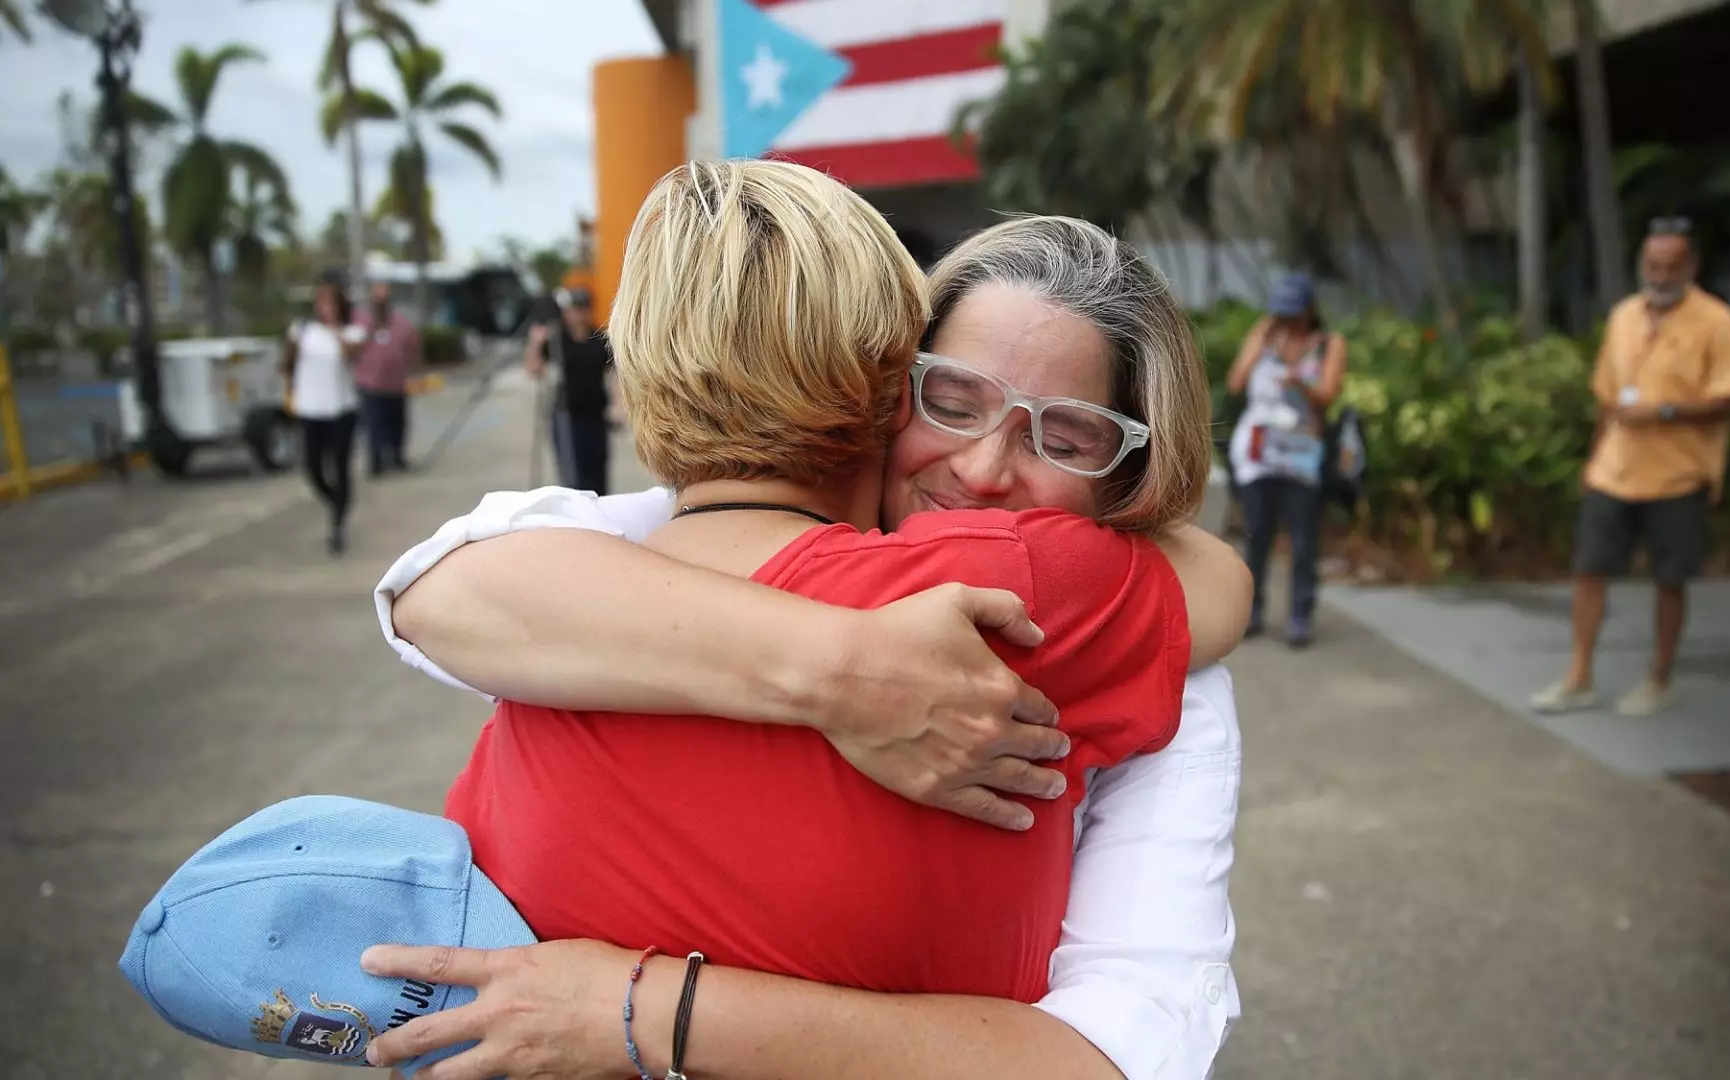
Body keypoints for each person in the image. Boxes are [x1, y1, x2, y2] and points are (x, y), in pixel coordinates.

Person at [361, 211, 1250, 1078]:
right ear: (878, 388)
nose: (983, 470)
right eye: (949, 398)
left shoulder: (1110, 633)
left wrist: (644, 1011)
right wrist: (844, 670)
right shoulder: (608, 560)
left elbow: (1134, 1047)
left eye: (1066, 435)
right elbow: (443, 588)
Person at [1531, 218, 1730, 717]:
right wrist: (1593, 460)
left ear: (1692, 266)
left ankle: (1658, 677)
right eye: (1652, 264)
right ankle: (1579, 676)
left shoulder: (1717, 322)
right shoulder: (1623, 316)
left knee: (1669, 579)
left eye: (1672, 265)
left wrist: (1666, 411)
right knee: (1589, 569)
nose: (1660, 274)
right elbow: (1607, 399)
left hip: (1678, 475)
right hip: (1614, 470)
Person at [1226, 272, 1348, 647]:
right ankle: (1253, 610)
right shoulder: (1265, 335)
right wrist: (1261, 342)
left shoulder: (1329, 344)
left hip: (1302, 458)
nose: (1288, 321)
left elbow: (1328, 394)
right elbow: (1236, 382)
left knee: (1303, 539)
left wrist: (1299, 383)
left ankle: (1300, 614)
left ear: (1310, 311)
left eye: (1294, 314)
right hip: (1259, 455)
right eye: (1282, 313)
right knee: (1257, 535)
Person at [283, 277, 366, 555]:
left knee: (340, 467)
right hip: (311, 409)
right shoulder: (303, 329)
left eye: (330, 302)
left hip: (341, 409)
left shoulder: (351, 332)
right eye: (321, 301)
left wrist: (334, 328)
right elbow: (287, 363)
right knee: (313, 468)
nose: (325, 306)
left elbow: (349, 356)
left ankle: (337, 527)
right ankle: (335, 501)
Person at [525, 285, 614, 494]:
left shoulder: (599, 340)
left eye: (583, 308)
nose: (578, 314)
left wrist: (618, 408)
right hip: (566, 417)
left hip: (595, 417)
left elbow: (615, 374)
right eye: (574, 309)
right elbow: (535, 369)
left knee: (598, 477)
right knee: (574, 478)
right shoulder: (557, 341)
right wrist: (535, 343)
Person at [353, 280, 421, 476]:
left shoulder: (400, 321)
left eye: (385, 294)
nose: (382, 298)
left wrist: (415, 367)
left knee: (398, 423)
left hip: (396, 383)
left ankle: (397, 457)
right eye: (378, 294)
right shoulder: (362, 321)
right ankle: (376, 462)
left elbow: (413, 345)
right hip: (370, 383)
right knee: (375, 424)